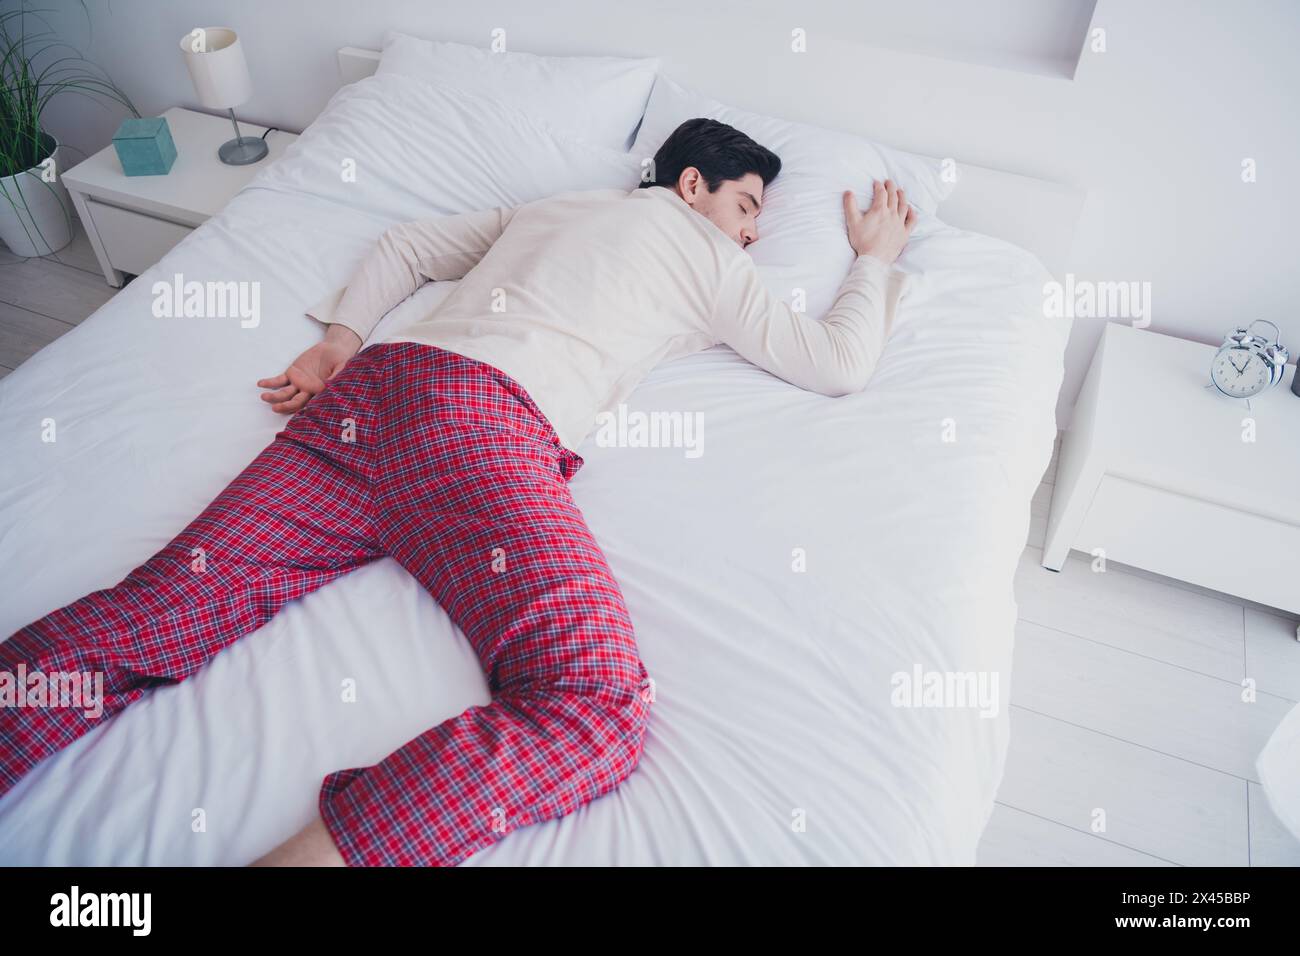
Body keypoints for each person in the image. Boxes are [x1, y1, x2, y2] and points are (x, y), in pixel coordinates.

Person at [0, 118, 914, 866]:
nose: (755, 232)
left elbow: (406, 246)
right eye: (748, 205)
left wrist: (338, 341)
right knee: (594, 705)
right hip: (480, 430)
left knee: (155, 610)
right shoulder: (713, 262)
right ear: (689, 187)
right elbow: (837, 364)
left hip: (372, 396)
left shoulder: (553, 207)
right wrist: (873, 260)